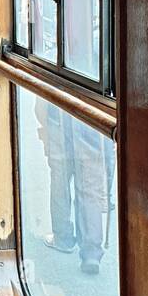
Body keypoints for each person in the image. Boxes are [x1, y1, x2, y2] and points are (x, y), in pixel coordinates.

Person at [35, 100, 113, 275]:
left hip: (59, 111)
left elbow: (40, 106)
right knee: (89, 184)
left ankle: (62, 237)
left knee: (59, 179)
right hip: (90, 111)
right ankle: (91, 252)